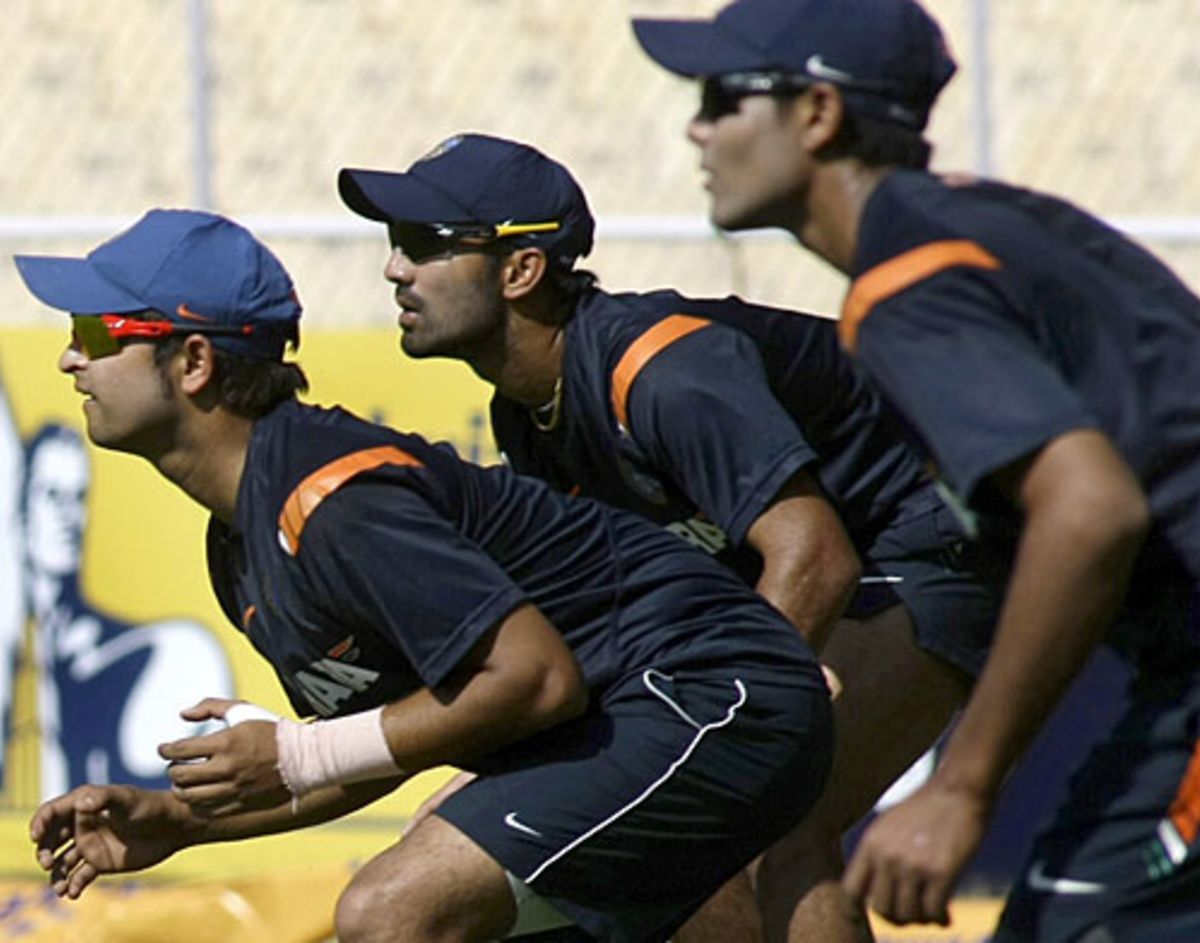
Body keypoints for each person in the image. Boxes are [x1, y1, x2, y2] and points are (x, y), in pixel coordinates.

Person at [15, 208, 834, 943]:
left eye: (94, 331)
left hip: (708, 687)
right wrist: (181, 819)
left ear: (193, 361)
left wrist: (300, 751)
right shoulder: (238, 543)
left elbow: (536, 677)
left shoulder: (331, 500)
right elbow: (373, 746)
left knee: (392, 908)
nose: (67, 358)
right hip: (624, 714)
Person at [337, 132, 1005, 943]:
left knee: (772, 810)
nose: (394, 268)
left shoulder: (658, 368)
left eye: (424, 244)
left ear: (520, 270)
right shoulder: (529, 411)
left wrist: (724, 718)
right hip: (842, 554)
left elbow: (814, 555)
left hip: (927, 535)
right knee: (675, 825)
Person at [634, 0, 1200, 940]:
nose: (698, 124)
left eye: (723, 95)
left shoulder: (909, 281)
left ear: (817, 115)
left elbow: (1090, 507)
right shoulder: (985, 222)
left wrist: (961, 785)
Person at [22, 422, 235, 796]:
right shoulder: (21, 651)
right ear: (20, 507)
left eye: (78, 497)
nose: (67, 515)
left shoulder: (136, 651)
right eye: (51, 495)